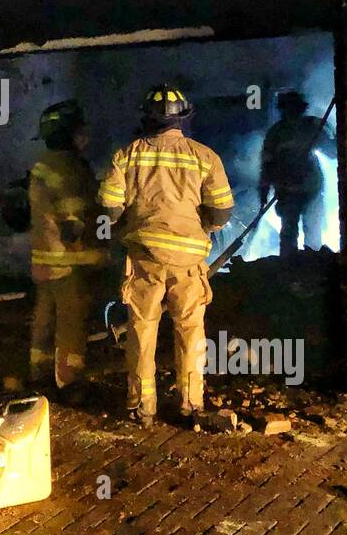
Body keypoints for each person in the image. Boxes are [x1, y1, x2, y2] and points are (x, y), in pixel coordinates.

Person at [98, 85, 234, 428]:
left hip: (144, 258)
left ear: (146, 117)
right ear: (185, 118)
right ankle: (190, 405)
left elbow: (109, 206)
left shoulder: (127, 155)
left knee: (142, 331)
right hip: (188, 263)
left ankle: (142, 407)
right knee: (190, 330)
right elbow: (221, 211)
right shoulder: (205, 157)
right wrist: (202, 226)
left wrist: (125, 223)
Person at [28, 100, 105, 396]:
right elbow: (74, 220)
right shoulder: (69, 167)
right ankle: (69, 384)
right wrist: (97, 248)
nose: (84, 135)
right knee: (71, 324)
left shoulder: (43, 164)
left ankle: (39, 374)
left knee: (44, 318)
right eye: (80, 130)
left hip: (43, 259)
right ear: (69, 134)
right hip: (69, 261)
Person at [259, 92, 336, 256]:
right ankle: (289, 264)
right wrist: (263, 192)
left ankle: (313, 262)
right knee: (289, 230)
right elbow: (267, 165)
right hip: (287, 189)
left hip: (311, 187)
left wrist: (326, 139)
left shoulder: (313, 126)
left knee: (312, 226)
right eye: (288, 109)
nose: (292, 112)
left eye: (295, 108)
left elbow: (333, 152)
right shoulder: (276, 133)